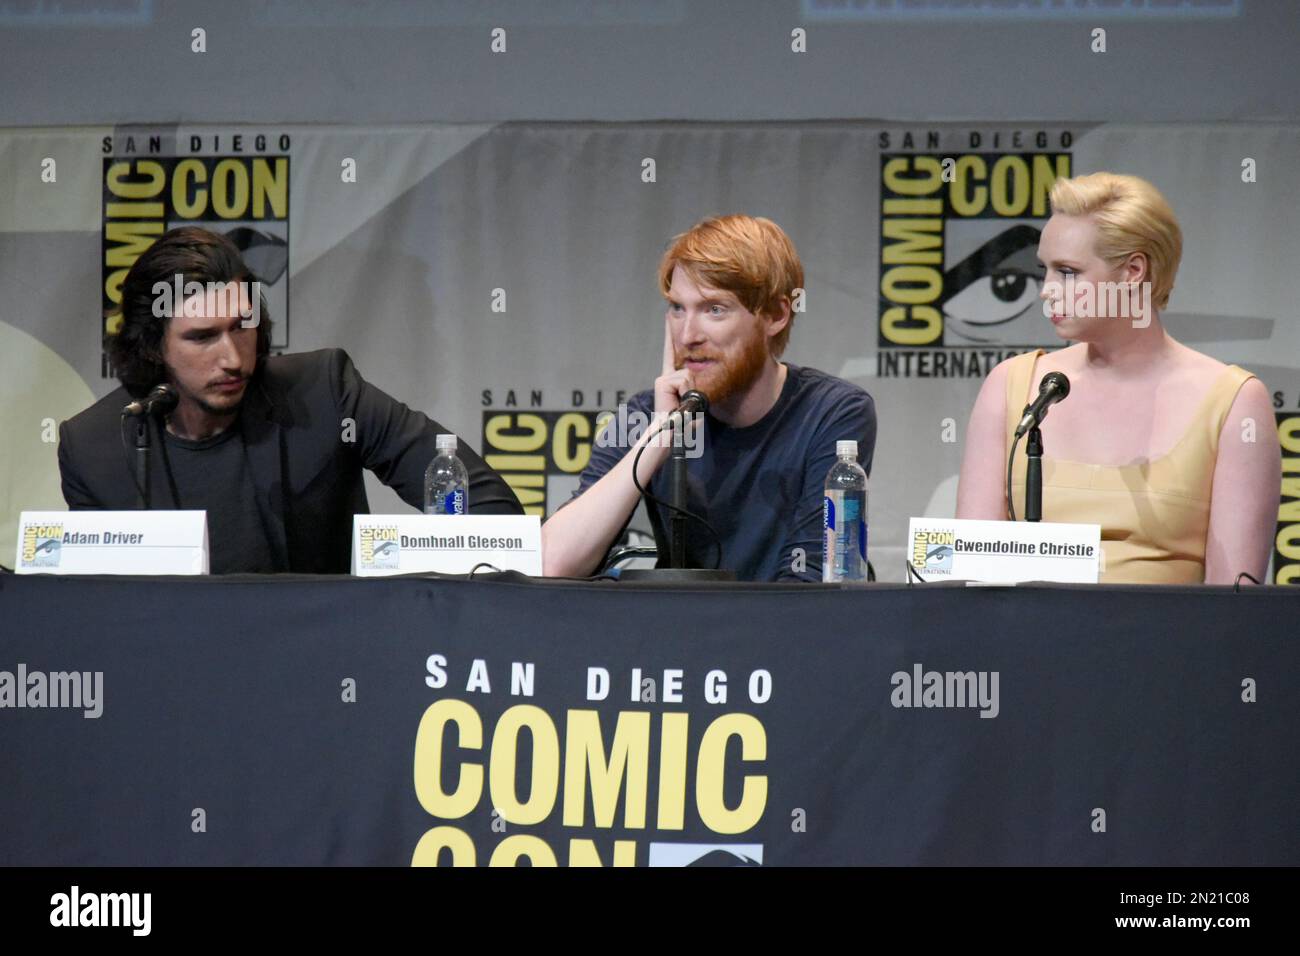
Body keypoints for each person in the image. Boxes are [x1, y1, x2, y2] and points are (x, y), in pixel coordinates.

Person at [58, 226, 521, 573]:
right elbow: (102, 613)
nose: (232, 358)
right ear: (152, 346)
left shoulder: (323, 393)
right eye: (202, 337)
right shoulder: (93, 448)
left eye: (242, 326)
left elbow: (489, 513)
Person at [956, 172, 1280, 584]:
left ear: (1133, 272)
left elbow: (1233, 611)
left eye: (1068, 272)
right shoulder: (1013, 386)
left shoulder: (1234, 402)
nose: (1046, 291)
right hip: (1026, 645)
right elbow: (969, 582)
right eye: (1046, 270)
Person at [542, 215, 877, 581]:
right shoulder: (647, 414)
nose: (687, 335)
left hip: (780, 634)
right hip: (680, 631)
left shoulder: (831, 412)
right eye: (677, 308)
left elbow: (815, 583)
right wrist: (661, 435)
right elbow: (553, 564)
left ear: (776, 315)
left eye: (714, 309)